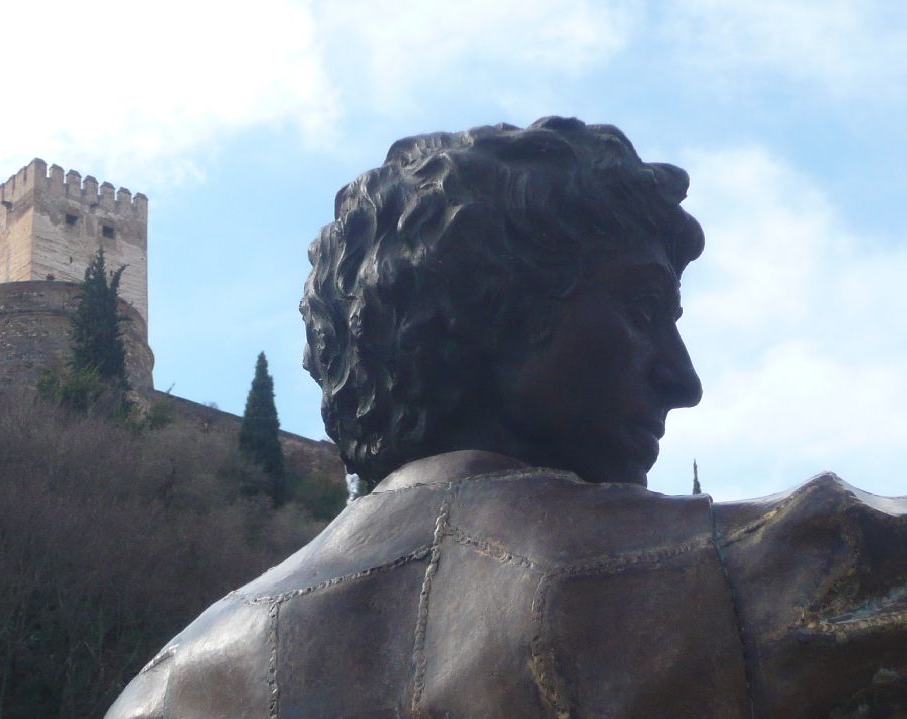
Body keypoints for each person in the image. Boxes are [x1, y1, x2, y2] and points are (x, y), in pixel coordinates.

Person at [107, 117, 907, 718]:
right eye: (641, 308)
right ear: (488, 313)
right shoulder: (773, 578)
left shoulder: (163, 689)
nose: (682, 378)